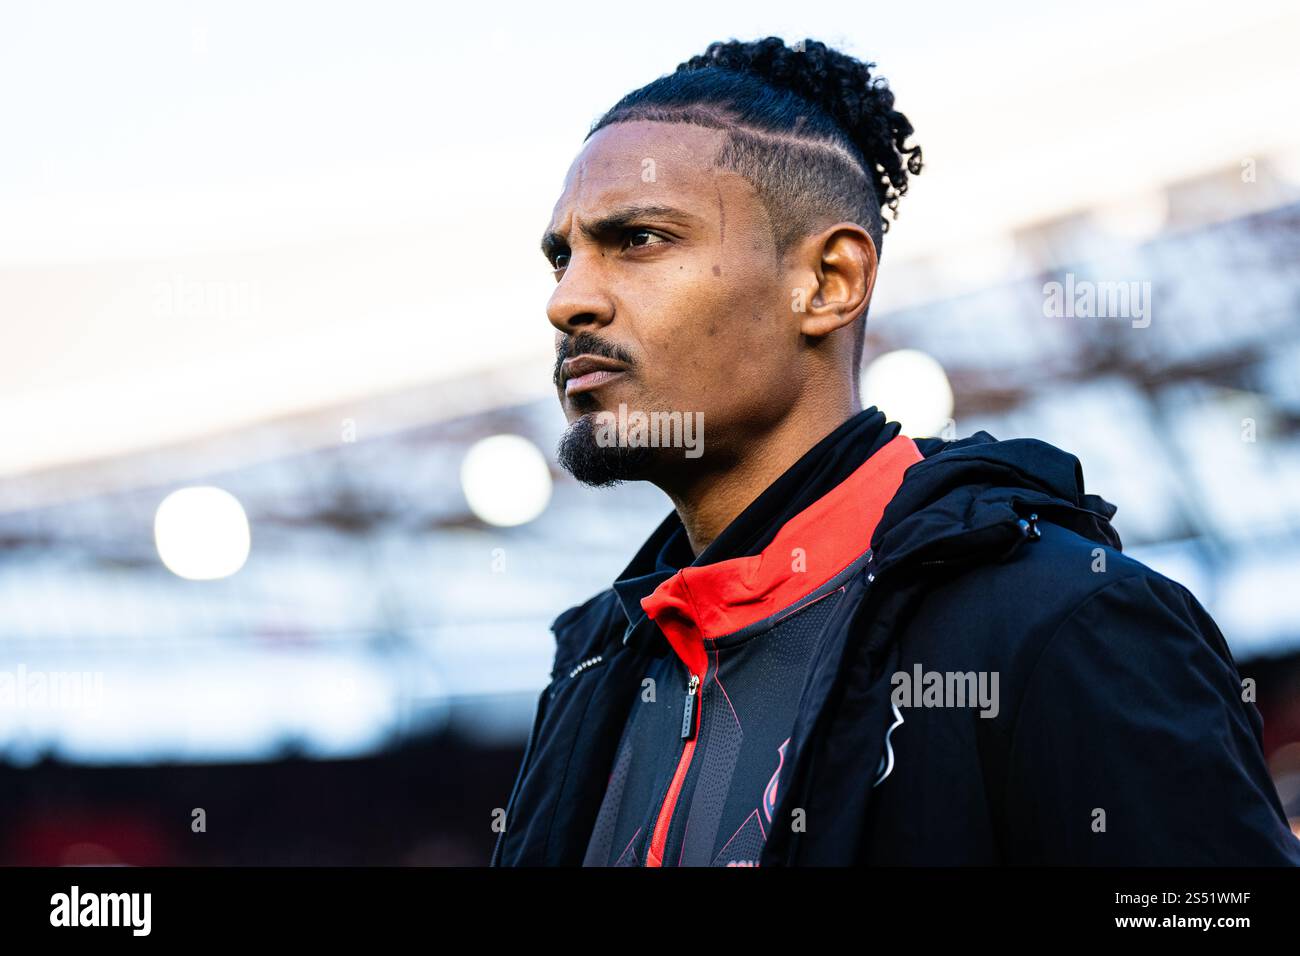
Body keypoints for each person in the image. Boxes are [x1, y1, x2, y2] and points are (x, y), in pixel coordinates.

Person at [490, 36, 1300, 866]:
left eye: (639, 239)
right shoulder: (592, 670)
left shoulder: (1066, 627)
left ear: (830, 282)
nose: (567, 300)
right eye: (563, 256)